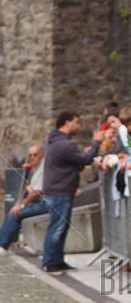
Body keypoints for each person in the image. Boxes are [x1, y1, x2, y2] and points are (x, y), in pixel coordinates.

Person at [39, 109, 98, 274]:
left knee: (61, 227)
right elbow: (85, 159)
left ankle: (57, 260)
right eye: (76, 122)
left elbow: (69, 162)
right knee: (57, 227)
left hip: (60, 189)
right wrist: (96, 143)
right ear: (67, 122)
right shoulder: (64, 144)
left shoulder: (56, 141)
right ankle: (50, 262)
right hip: (60, 190)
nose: (79, 126)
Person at [0, 142, 46, 254]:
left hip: (43, 203)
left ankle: (2, 245)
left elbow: (37, 192)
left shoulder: (43, 169)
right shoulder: (36, 167)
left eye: (35, 154)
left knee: (16, 213)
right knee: (13, 211)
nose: (32, 157)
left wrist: (22, 205)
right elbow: (30, 188)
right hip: (37, 201)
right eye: (30, 155)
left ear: (42, 155)